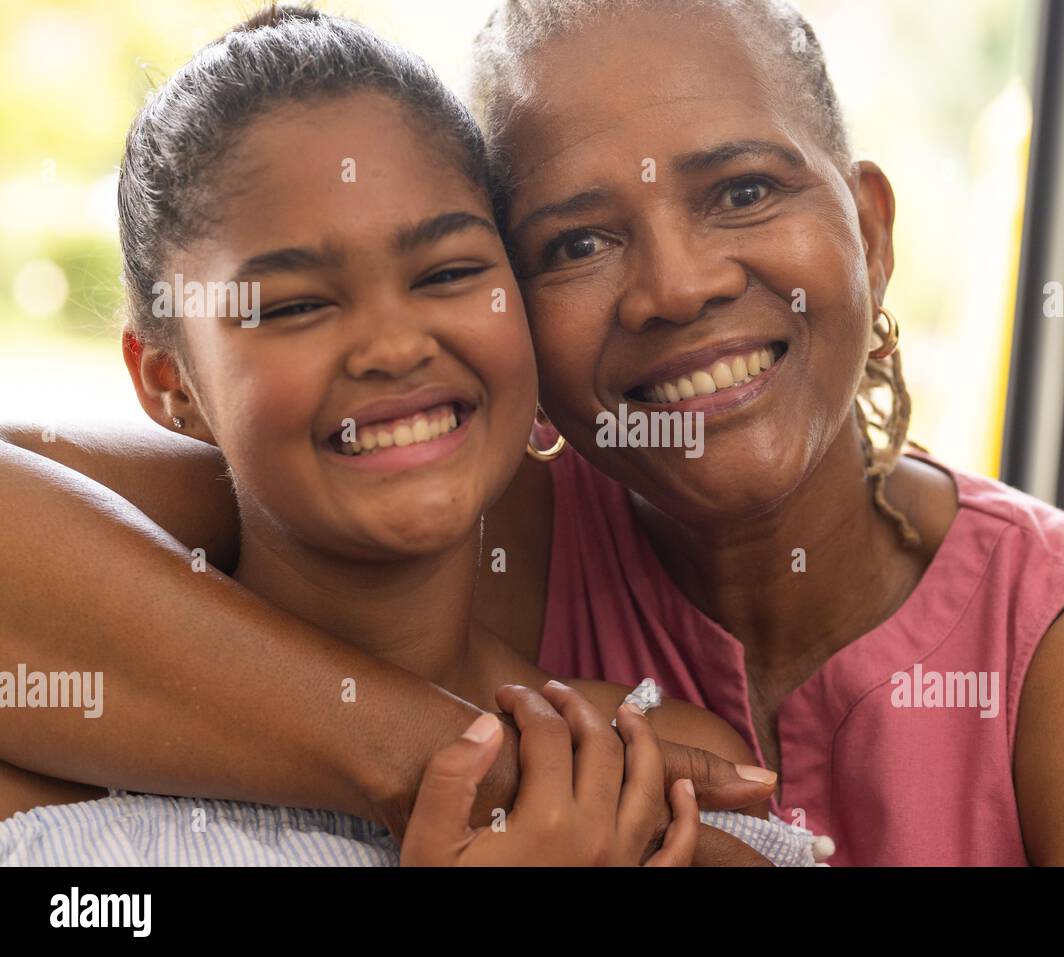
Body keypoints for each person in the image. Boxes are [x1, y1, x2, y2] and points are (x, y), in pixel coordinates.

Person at [0, 0, 1064, 865]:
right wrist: (445, 760)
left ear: (870, 232)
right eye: (578, 243)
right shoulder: (460, 506)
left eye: (745, 190)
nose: (676, 286)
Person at [0, 6, 805, 867]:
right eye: (296, 305)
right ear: (171, 383)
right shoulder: (41, 755)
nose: (394, 346)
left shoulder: (659, 768)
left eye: (451, 272)